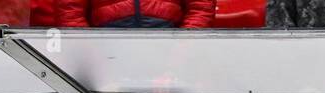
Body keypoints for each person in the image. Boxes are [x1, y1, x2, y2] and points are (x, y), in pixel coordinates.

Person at [56, 0, 213, 25]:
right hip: (105, 43)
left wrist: (182, 54)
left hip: (169, 39)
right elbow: (70, 11)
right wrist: (95, 64)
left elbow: (200, 9)